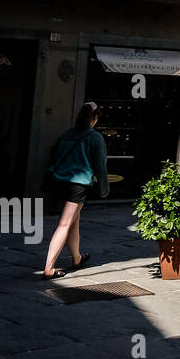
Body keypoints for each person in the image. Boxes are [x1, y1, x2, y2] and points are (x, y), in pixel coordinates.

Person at [42, 101, 109, 279]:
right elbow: (100, 166)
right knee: (65, 224)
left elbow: (54, 156)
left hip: (60, 182)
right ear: (93, 118)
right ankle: (49, 268)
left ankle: (77, 258)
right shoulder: (95, 137)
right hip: (78, 185)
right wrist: (104, 188)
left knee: (74, 221)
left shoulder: (66, 134)